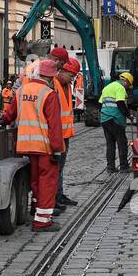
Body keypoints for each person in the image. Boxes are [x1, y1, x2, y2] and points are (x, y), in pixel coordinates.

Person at [2, 57, 64, 233]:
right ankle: (42, 221)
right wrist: (57, 149)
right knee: (47, 182)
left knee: (35, 180)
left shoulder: (22, 90)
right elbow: (54, 125)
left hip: (25, 144)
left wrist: (3, 120)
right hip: (44, 147)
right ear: (52, 77)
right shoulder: (49, 94)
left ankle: (36, 210)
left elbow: (10, 114)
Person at [53, 58, 79, 214]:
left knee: (60, 168)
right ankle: (54, 198)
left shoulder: (66, 86)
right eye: (71, 75)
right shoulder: (54, 84)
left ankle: (59, 195)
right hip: (56, 135)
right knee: (55, 168)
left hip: (65, 134)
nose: (73, 79)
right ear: (62, 71)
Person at [99, 71, 133, 173]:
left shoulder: (107, 87)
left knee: (110, 144)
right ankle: (124, 166)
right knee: (122, 142)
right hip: (115, 119)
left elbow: (100, 103)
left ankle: (110, 167)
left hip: (105, 119)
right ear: (126, 81)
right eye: (128, 85)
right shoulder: (120, 88)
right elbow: (120, 103)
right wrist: (129, 115)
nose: (127, 88)